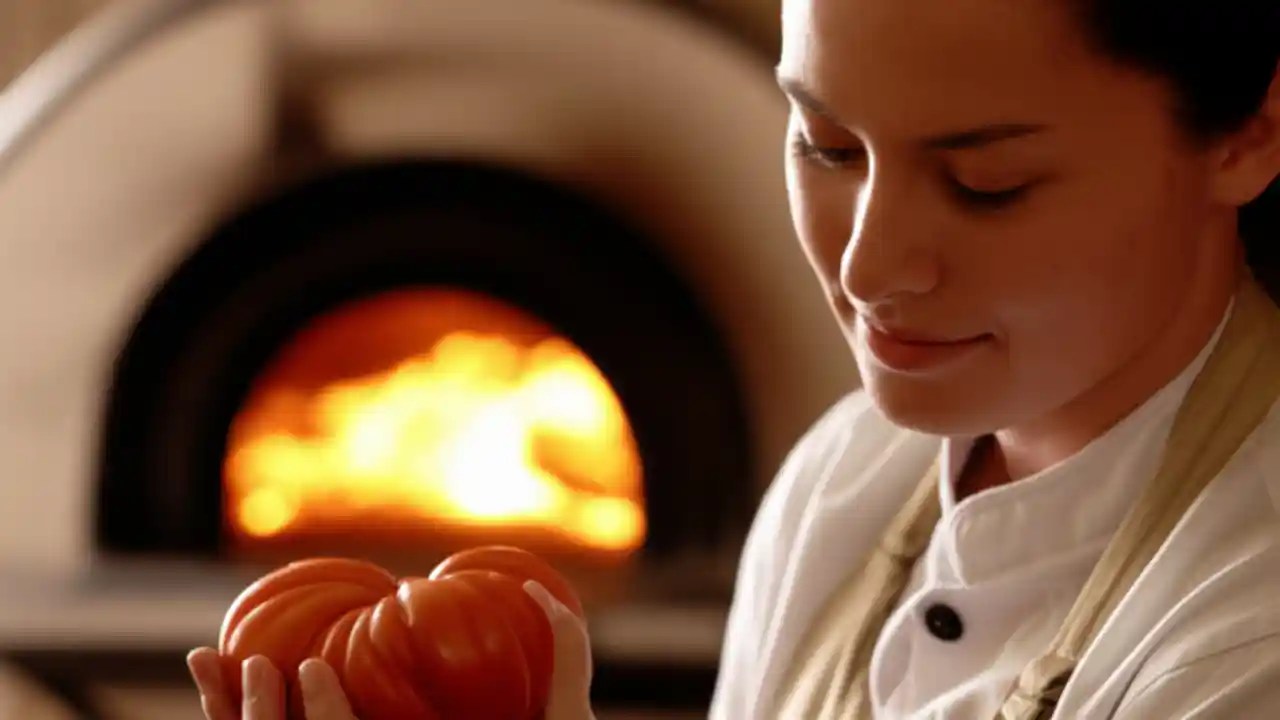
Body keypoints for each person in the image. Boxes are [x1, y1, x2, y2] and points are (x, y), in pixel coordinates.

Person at [190, 0, 1280, 716]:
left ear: (1246, 132)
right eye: (823, 145)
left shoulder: (1247, 624)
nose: (864, 267)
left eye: (983, 185)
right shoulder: (844, 476)